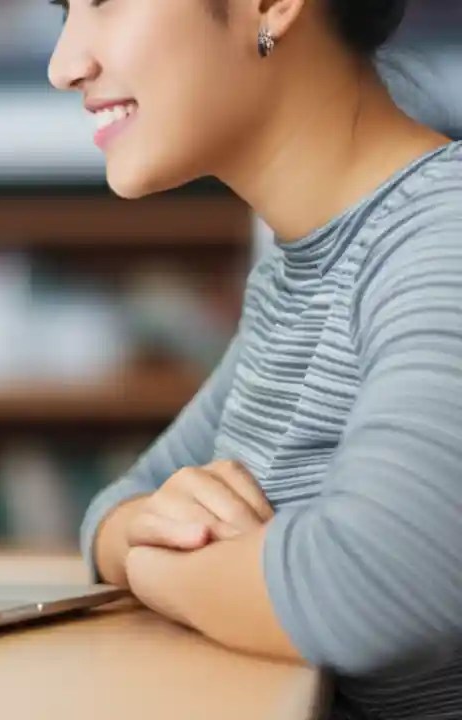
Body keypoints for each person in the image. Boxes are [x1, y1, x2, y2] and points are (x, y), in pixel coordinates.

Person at [47, 0, 462, 717]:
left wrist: (153, 566)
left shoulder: (441, 243)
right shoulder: (294, 277)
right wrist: (149, 542)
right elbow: (117, 508)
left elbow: (368, 592)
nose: (64, 64)